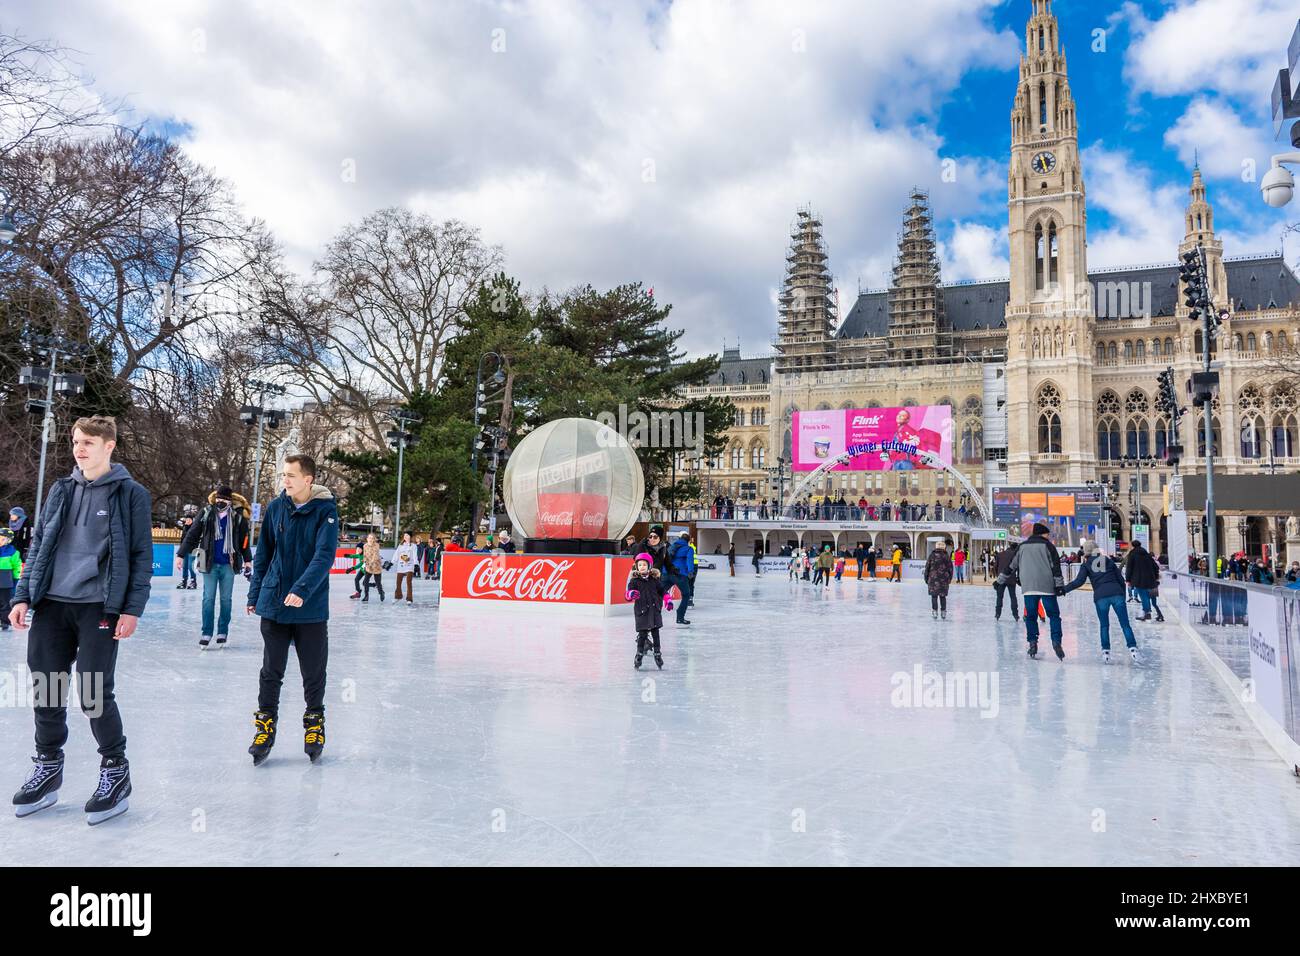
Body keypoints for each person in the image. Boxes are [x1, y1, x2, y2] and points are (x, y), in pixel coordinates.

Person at [10, 415, 152, 825]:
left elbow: (141, 556)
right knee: (47, 688)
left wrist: (131, 608)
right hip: (52, 604)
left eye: (88, 441)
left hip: (99, 607)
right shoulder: (61, 489)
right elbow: (40, 546)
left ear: (110, 445)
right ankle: (49, 765)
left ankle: (115, 770)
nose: (80, 448)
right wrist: (23, 595)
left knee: (93, 692)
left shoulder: (131, 494)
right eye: (76, 441)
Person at [244, 454, 338, 766]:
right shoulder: (275, 508)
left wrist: (301, 590)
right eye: (283, 474)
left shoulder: (325, 511)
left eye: (291, 476)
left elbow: (324, 556)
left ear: (308, 479)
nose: (285, 480)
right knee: (271, 670)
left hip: (309, 607)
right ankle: (264, 727)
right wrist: (255, 593)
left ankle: (314, 724)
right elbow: (264, 555)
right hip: (274, 603)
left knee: (313, 671)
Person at [176, 485, 254, 649]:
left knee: (226, 600)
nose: (220, 502)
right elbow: (192, 534)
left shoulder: (237, 518)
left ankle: (222, 631)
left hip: (229, 564)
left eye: (224, 499)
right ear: (215, 499)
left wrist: (248, 561)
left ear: (229, 501)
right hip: (208, 563)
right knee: (208, 599)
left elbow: (244, 541)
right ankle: (206, 632)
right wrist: (180, 554)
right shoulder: (206, 514)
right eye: (218, 498)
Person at [1063, 540, 1140, 663]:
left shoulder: (1086, 564)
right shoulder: (1107, 560)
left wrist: (1063, 590)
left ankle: (1106, 651)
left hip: (1101, 597)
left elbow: (1079, 582)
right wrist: (1122, 594)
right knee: (1125, 624)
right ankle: (1133, 648)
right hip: (1116, 594)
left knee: (1104, 625)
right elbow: (1120, 578)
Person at [1004, 522, 1065, 660]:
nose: (1048, 536)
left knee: (1031, 617)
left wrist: (1000, 581)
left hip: (1029, 588)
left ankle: (1032, 643)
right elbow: (1056, 567)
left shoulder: (1022, 546)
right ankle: (1056, 641)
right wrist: (1059, 586)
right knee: (1054, 616)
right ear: (1042, 534)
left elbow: (1011, 566)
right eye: (1047, 534)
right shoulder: (1048, 546)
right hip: (1047, 587)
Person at [626, 552, 668, 669]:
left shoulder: (654, 580)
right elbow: (628, 593)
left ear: (649, 566)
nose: (642, 567)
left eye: (644, 565)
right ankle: (639, 655)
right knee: (642, 634)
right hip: (642, 611)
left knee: (656, 633)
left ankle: (658, 654)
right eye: (640, 565)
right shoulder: (634, 581)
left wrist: (667, 599)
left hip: (654, 610)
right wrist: (631, 594)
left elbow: (662, 591)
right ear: (637, 567)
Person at [1123, 540, 1164, 623]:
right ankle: (1155, 614)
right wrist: (1155, 576)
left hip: (1138, 580)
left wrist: (1128, 580)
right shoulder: (1147, 555)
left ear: (1132, 546)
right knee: (1150, 597)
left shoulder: (1132, 554)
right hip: (1150, 579)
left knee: (1143, 596)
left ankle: (1147, 613)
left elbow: (1129, 568)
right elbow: (1156, 567)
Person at [667, 531, 694, 626]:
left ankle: (652, 616)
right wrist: (691, 571)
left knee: (658, 594)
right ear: (688, 540)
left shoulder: (672, 546)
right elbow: (690, 560)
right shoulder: (688, 548)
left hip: (667, 573)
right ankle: (680, 617)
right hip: (680, 574)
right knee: (686, 594)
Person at [924, 540, 954, 619]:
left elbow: (927, 567)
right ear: (944, 547)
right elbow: (951, 569)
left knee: (934, 596)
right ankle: (943, 612)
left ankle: (934, 611)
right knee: (942, 596)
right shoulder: (946, 556)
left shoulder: (932, 555)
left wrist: (926, 578)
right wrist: (949, 579)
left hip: (933, 579)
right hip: (944, 580)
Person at [0, 527, 21, 631]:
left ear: (8, 540)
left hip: (5, 580)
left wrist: (16, 578)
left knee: (5, 602)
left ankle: (4, 622)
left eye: (3, 539)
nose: (0, 541)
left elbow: (17, 566)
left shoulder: (13, 552)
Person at [993, 543, 1021, 622]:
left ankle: (997, 613)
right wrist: (1018, 578)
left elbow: (995, 566)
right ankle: (1015, 614)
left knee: (999, 597)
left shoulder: (1000, 554)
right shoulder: (1015, 555)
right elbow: (1018, 567)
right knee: (1013, 597)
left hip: (1001, 579)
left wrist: (997, 576)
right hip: (1011, 579)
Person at [393, 532, 418, 603]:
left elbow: (414, 556)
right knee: (398, 582)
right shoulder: (400, 545)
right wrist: (392, 562)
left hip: (409, 566)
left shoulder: (413, 546)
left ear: (410, 536)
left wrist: (416, 564)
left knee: (408, 582)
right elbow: (396, 554)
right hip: (400, 566)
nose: (405, 537)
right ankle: (398, 596)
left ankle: (409, 599)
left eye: (407, 535)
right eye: (404, 535)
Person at [176, 512, 198, 589]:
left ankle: (193, 581)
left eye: (189, 519)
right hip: (185, 550)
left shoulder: (194, 528)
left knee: (190, 566)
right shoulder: (185, 528)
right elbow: (182, 540)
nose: (188, 521)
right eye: (187, 519)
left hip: (192, 550)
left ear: (192, 520)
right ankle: (184, 581)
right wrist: (181, 550)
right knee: (185, 566)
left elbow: (196, 539)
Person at [362, 532, 385, 602]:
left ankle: (381, 593)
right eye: (369, 538)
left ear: (374, 539)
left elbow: (375, 555)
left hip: (376, 566)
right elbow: (364, 555)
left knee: (378, 582)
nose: (370, 539)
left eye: (372, 538)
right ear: (367, 539)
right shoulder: (365, 546)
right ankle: (366, 596)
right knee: (365, 581)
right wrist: (365, 561)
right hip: (368, 566)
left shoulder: (376, 545)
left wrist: (371, 562)